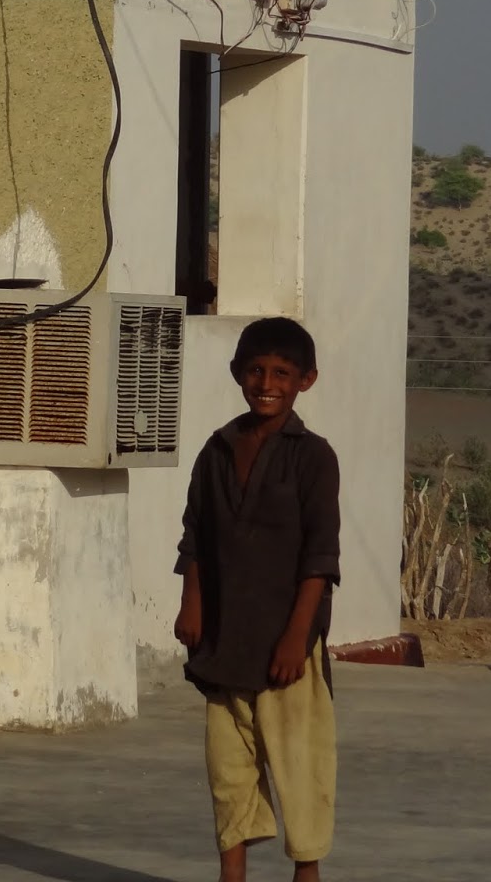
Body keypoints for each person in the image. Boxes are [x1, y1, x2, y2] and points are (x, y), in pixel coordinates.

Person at [173, 316, 340, 882]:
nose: (267, 382)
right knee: (228, 769)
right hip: (224, 641)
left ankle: (307, 872)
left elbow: (320, 557)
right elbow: (195, 532)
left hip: (287, 645)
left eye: (282, 373)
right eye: (256, 370)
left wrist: (298, 636)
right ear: (237, 374)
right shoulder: (218, 449)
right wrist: (191, 600)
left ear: (305, 381)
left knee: (300, 766)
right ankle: (232, 872)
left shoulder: (313, 457)